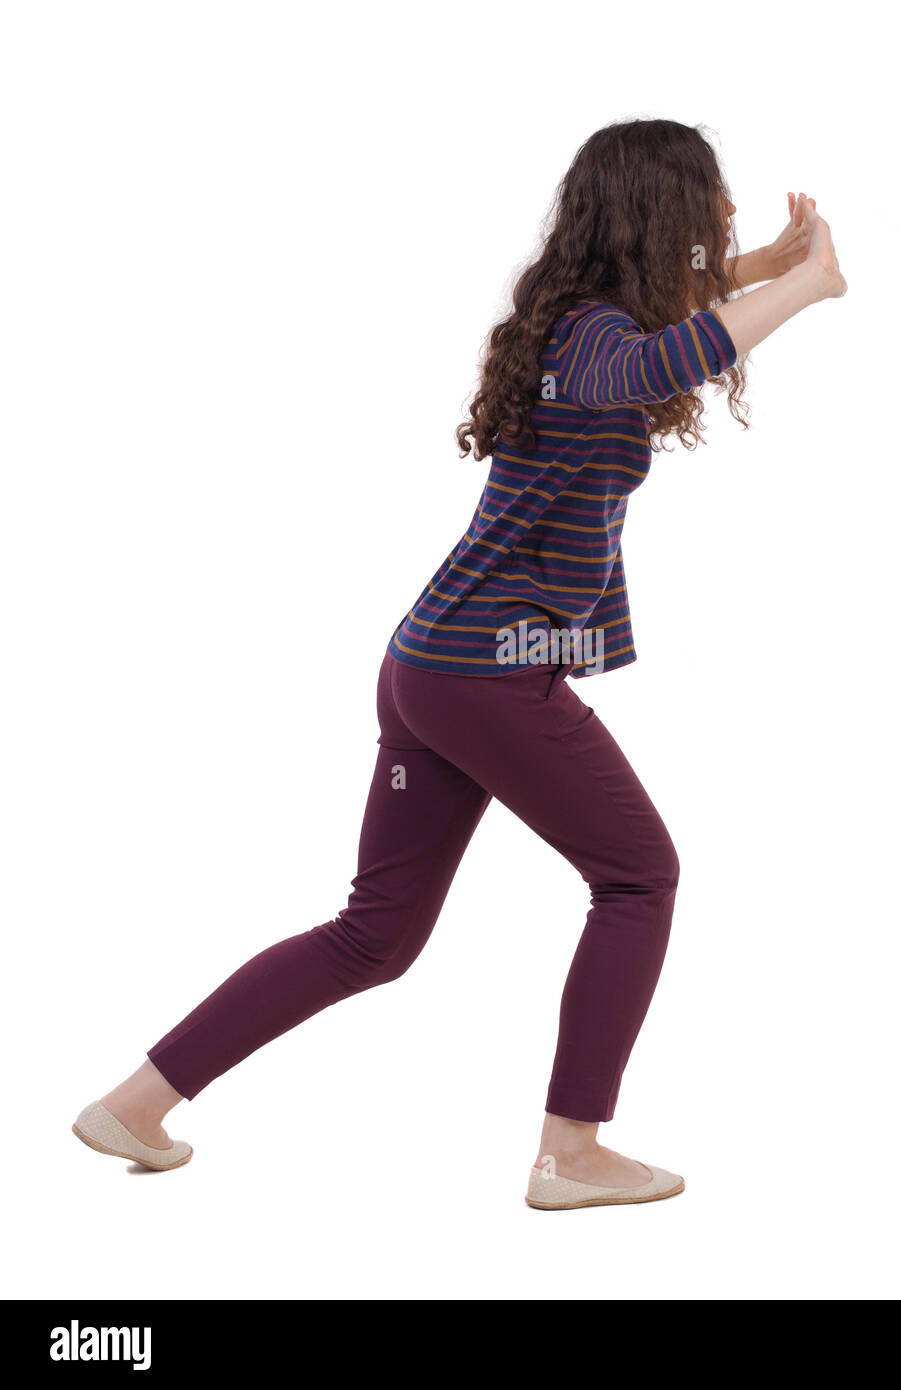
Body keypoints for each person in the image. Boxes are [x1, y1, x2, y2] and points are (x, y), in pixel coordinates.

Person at [72, 118, 845, 1210]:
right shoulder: (598, 340)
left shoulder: (578, 324)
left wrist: (762, 264)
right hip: (485, 673)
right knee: (638, 876)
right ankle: (570, 1153)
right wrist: (808, 286)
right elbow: (670, 356)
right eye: (712, 199)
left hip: (430, 667)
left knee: (372, 936)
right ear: (656, 211)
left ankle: (134, 1103)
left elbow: (670, 330)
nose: (726, 213)